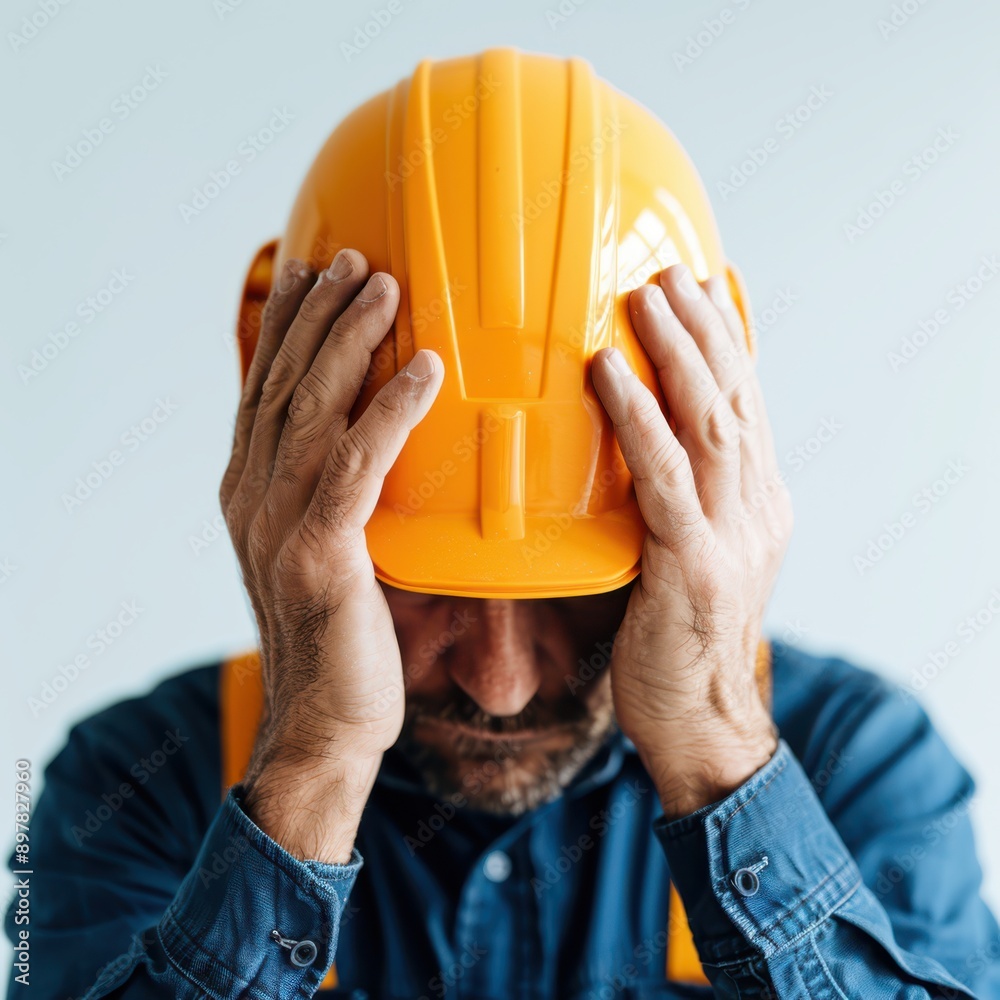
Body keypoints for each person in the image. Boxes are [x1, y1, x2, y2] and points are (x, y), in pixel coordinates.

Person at [7, 48, 1000, 999]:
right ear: (290, 479)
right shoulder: (140, 786)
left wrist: (712, 749)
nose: (501, 681)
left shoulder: (856, 766)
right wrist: (308, 771)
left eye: (579, 588)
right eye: (420, 579)